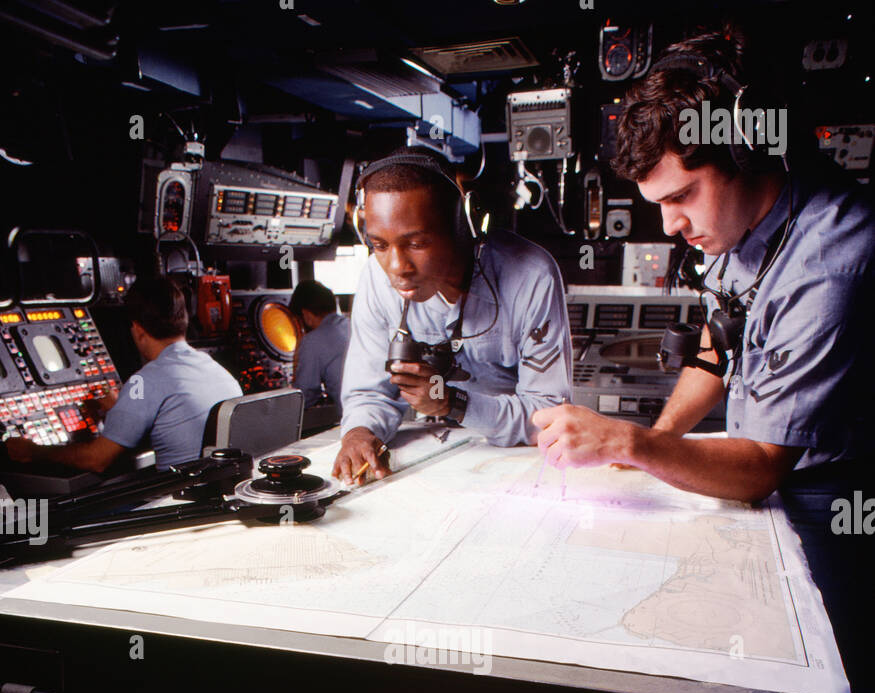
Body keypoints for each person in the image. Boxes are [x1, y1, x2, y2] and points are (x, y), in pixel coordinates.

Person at [532, 32, 875, 504]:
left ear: (745, 152)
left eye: (680, 196)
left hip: (833, 495)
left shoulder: (828, 264)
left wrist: (629, 442)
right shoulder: (731, 223)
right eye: (658, 203)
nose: (671, 225)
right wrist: (664, 436)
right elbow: (723, 336)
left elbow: (762, 469)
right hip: (758, 472)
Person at [333, 150, 572, 486]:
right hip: (435, 461)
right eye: (380, 245)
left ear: (461, 227)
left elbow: (549, 419)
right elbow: (368, 393)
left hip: (518, 460)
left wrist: (454, 404)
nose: (398, 267)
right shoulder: (375, 276)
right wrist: (360, 431)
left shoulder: (532, 276)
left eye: (416, 243)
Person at [4, 276, 241, 473]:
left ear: (137, 329)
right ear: (183, 321)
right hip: (214, 493)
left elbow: (96, 460)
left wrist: (34, 451)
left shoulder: (145, 380)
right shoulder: (215, 369)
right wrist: (121, 410)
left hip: (175, 502)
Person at [289, 280, 350, 408]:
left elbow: (305, 397)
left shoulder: (312, 341)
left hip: (359, 419)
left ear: (306, 315)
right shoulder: (351, 325)